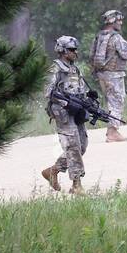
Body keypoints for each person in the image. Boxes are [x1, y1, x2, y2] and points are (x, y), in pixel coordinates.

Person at [41, 36, 91, 195]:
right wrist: (66, 103)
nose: (75, 52)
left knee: (82, 145)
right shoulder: (55, 69)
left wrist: (89, 99)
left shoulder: (75, 69)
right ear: (62, 50)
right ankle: (76, 185)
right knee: (73, 146)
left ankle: (53, 171)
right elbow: (47, 92)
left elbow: (79, 89)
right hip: (63, 113)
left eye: (76, 49)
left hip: (76, 112)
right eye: (71, 49)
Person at [90, 9, 127, 142]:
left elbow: (91, 56)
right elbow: (126, 54)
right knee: (118, 100)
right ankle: (112, 132)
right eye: (118, 20)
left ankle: (112, 130)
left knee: (111, 101)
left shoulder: (98, 37)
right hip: (114, 75)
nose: (121, 23)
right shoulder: (116, 37)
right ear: (112, 21)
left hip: (102, 75)